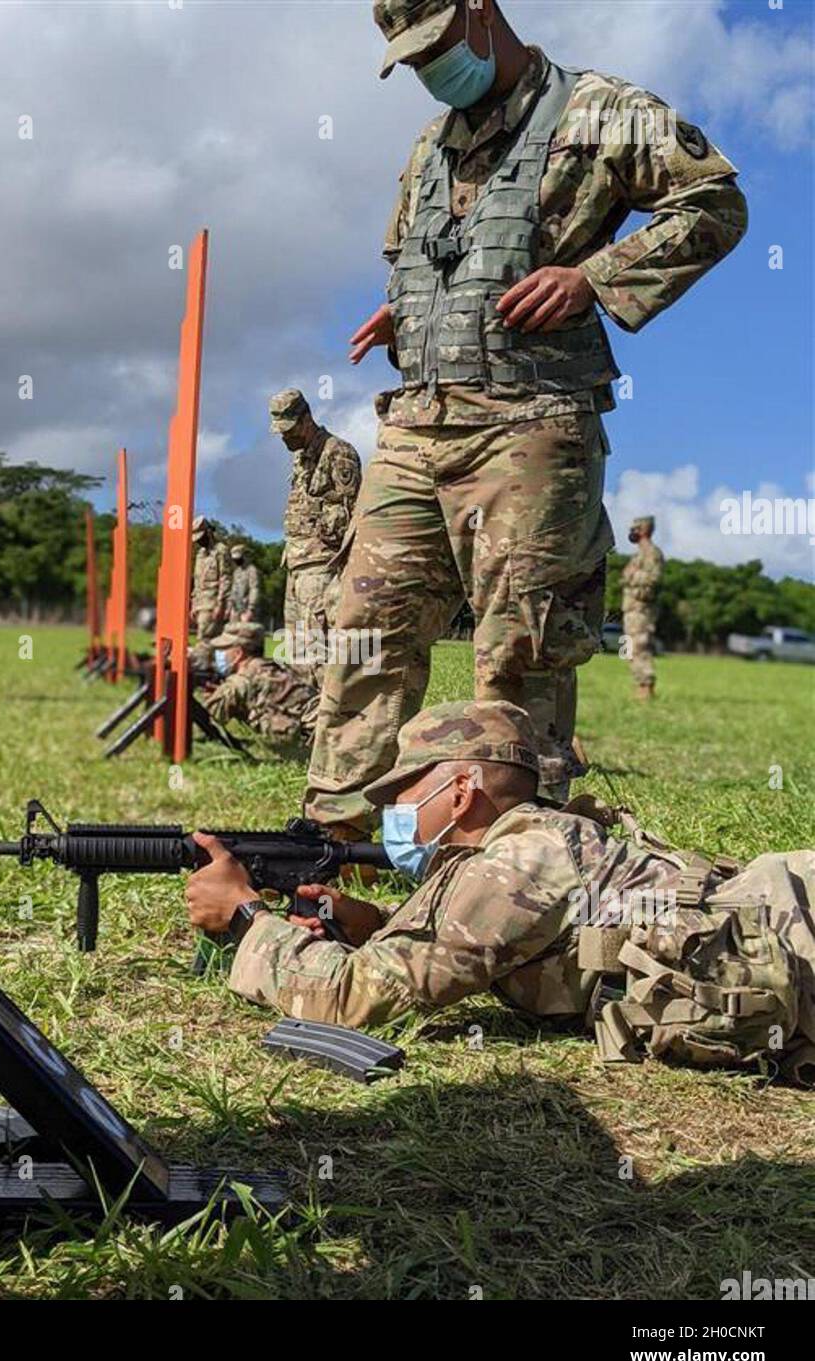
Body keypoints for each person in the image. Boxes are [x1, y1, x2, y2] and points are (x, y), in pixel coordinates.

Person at [304, 0, 748, 832]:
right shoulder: (431, 145)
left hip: (528, 423)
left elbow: (714, 206)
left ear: (481, 13)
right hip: (416, 421)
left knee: (520, 644)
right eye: (410, 59)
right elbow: (421, 253)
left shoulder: (599, 110)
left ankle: (516, 859)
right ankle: (334, 841)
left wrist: (596, 278)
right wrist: (408, 310)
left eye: (436, 45)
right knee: (363, 628)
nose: (430, 68)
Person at [187, 700, 815, 1085]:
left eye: (402, 796)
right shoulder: (531, 842)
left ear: (459, 793)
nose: (390, 816)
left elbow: (354, 1000)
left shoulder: (515, 864)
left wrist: (245, 917)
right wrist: (373, 923)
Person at [271, 389, 362, 681]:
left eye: (289, 430)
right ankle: (303, 716)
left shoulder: (338, 452)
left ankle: (329, 721)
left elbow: (348, 517)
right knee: (296, 651)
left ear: (306, 418)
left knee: (320, 649)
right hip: (296, 565)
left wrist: (320, 523)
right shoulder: (300, 458)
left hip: (321, 566)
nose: (285, 438)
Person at [200, 621, 320, 751]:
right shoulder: (269, 668)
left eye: (224, 649)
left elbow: (210, 716)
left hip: (315, 739)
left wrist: (211, 694)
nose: (218, 654)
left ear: (238, 653)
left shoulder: (242, 681)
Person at [622, 516, 665, 701]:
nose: (632, 531)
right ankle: (640, 684)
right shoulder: (638, 555)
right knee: (630, 649)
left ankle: (646, 686)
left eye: (635, 528)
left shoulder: (652, 553)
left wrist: (631, 576)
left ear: (643, 530)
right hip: (631, 609)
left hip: (642, 608)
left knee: (640, 646)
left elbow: (653, 579)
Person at [191, 515, 232, 641]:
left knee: (204, 640)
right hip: (200, 605)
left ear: (208, 533)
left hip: (212, 604)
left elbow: (225, 579)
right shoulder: (200, 554)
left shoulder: (221, 551)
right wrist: (194, 604)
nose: (199, 542)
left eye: (201, 537)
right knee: (212, 643)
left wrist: (221, 605)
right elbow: (197, 581)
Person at [228, 543, 263, 623]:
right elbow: (233, 590)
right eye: (235, 559)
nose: (236, 561)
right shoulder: (236, 572)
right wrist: (230, 607)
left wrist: (251, 609)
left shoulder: (252, 570)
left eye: (239, 558)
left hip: (246, 609)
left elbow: (254, 589)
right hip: (236, 608)